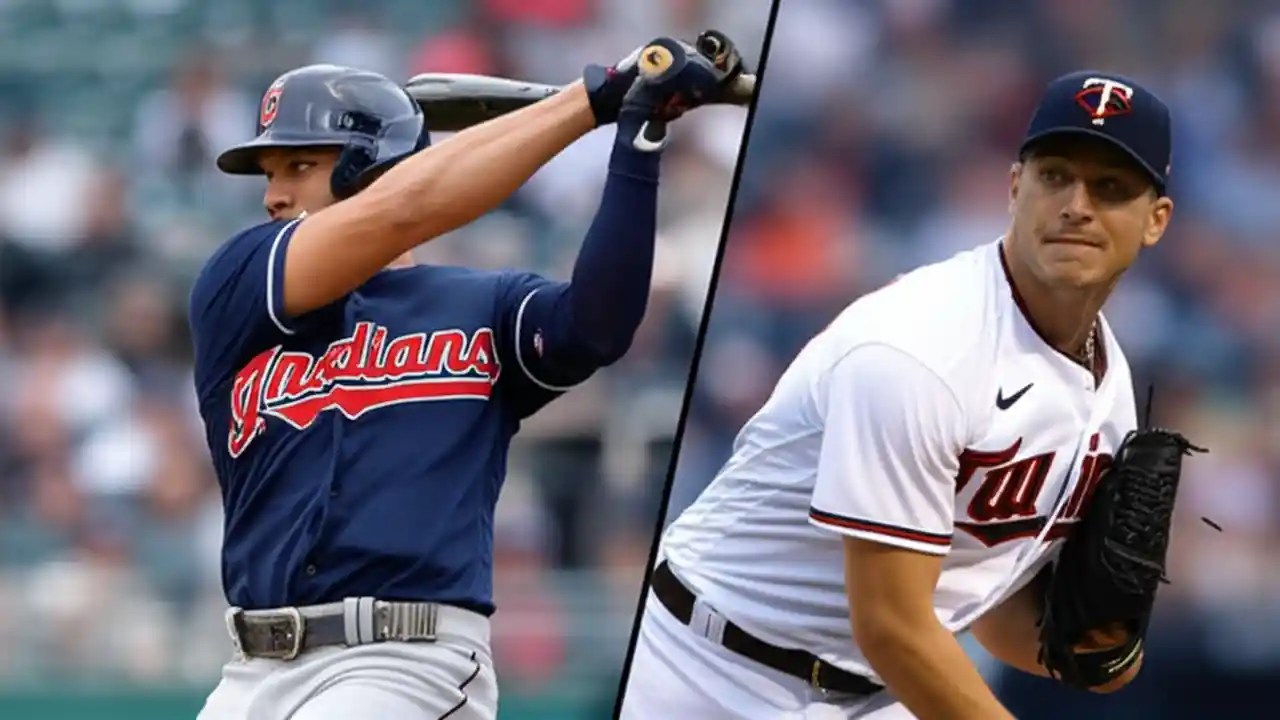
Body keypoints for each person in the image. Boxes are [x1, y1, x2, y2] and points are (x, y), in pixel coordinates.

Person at [188, 34, 742, 720]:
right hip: (250, 672)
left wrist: (638, 139)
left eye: (299, 165)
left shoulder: (479, 307)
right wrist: (591, 98)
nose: (273, 196)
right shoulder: (238, 286)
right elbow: (400, 210)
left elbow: (597, 325)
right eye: (267, 172)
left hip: (402, 662)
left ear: (372, 169)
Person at [619, 70, 1176, 719]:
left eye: (1109, 188)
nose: (1077, 204)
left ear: (1154, 220)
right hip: (707, 671)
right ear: (1015, 187)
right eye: (1056, 176)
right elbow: (890, 627)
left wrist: (1096, 652)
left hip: (878, 684)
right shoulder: (918, 347)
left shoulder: (1106, 380)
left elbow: (987, 611)